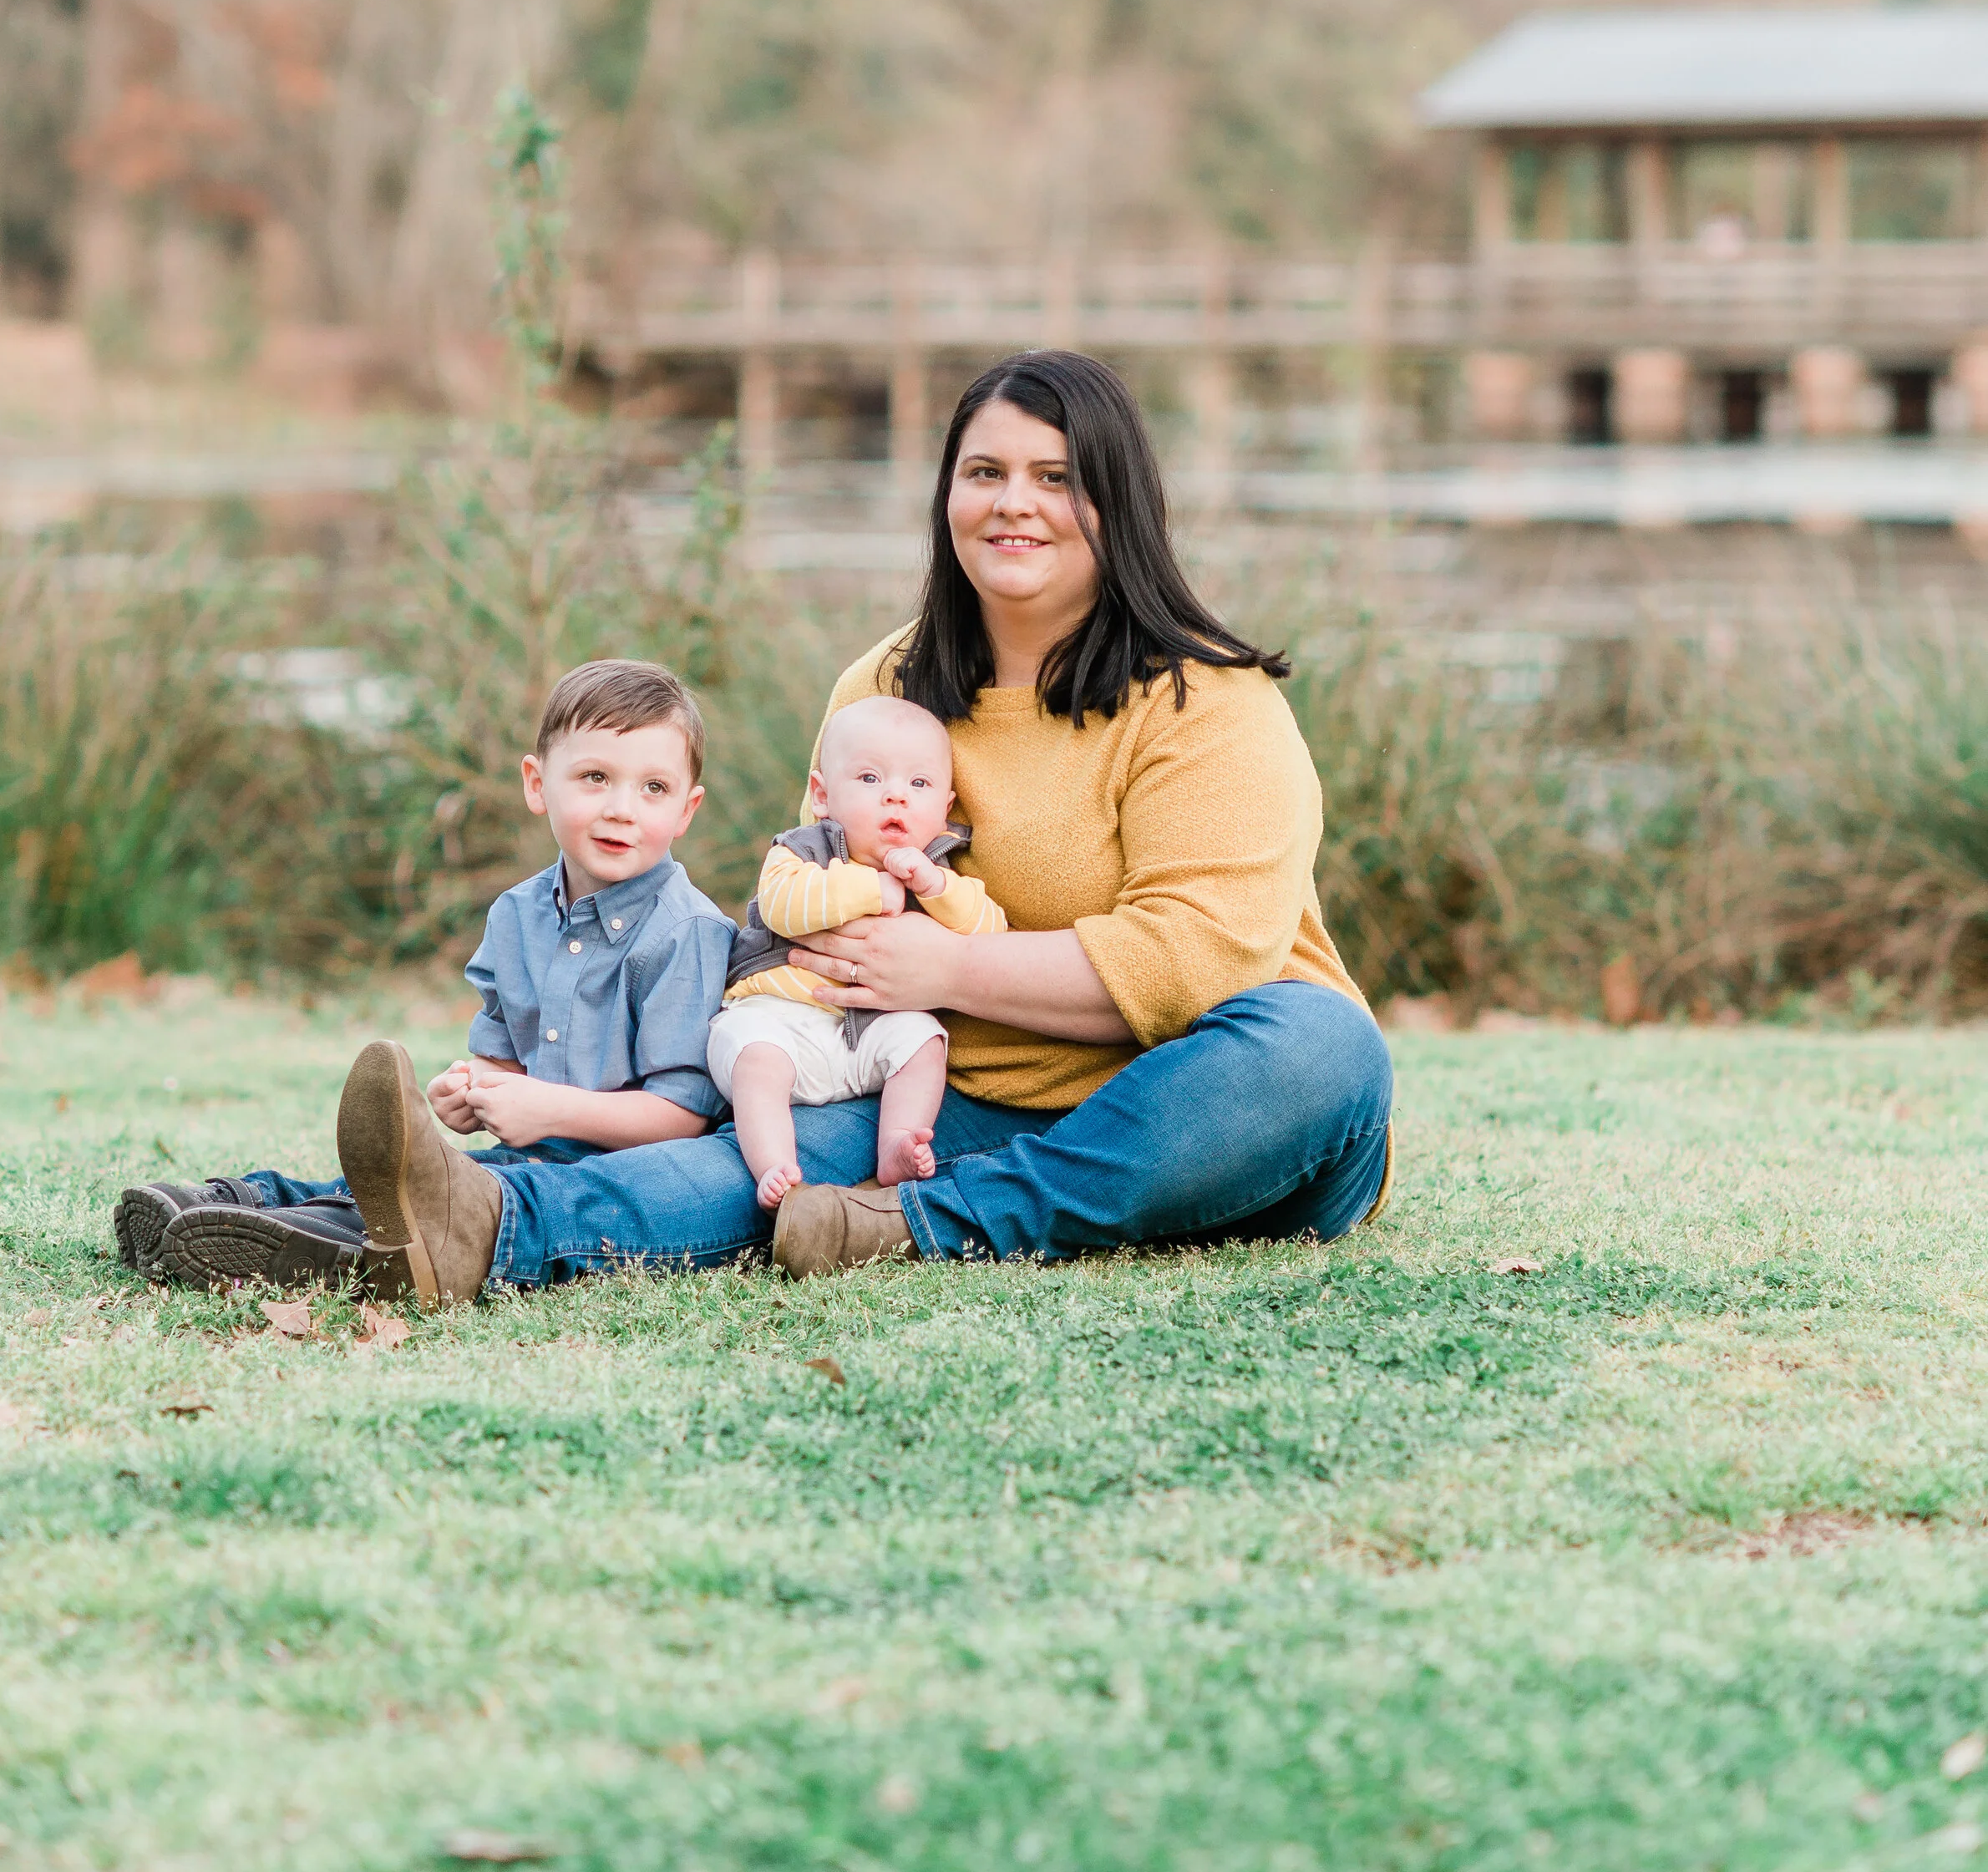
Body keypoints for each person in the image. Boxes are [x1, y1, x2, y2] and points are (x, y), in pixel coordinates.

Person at [214, 347, 1390, 1301]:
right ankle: (371, 1215)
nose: (1013, 502)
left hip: (1206, 1113)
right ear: (947, 494)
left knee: (1327, 1047)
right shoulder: (884, 689)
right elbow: (818, 934)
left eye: (1054, 474)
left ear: (1116, 500)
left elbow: (1194, 963)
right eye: (984, 470)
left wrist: (949, 965)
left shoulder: (1209, 702)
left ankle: (925, 1225)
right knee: (746, 1158)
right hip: (930, 1101)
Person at [111, 657, 732, 1299]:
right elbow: (502, 1067)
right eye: (595, 777)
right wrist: (472, 1095)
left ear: (687, 810)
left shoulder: (686, 933)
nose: (622, 809)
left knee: (444, 1198)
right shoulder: (517, 915)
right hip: (526, 1161)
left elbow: (682, 1118)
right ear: (537, 783)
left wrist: (549, 1109)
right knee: (429, 1185)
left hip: (626, 1184)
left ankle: (310, 1239)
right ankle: (244, 1201)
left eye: (653, 788)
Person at [710, 692, 1007, 1210]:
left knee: (923, 1042)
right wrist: (872, 891)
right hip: (782, 1018)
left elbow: (991, 932)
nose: (896, 797)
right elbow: (782, 906)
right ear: (822, 795)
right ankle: (775, 1165)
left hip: (869, 1033)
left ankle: (898, 1143)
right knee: (755, 1057)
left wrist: (937, 888)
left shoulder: (939, 870)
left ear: (945, 808)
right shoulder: (801, 850)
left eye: (919, 784)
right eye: (870, 780)